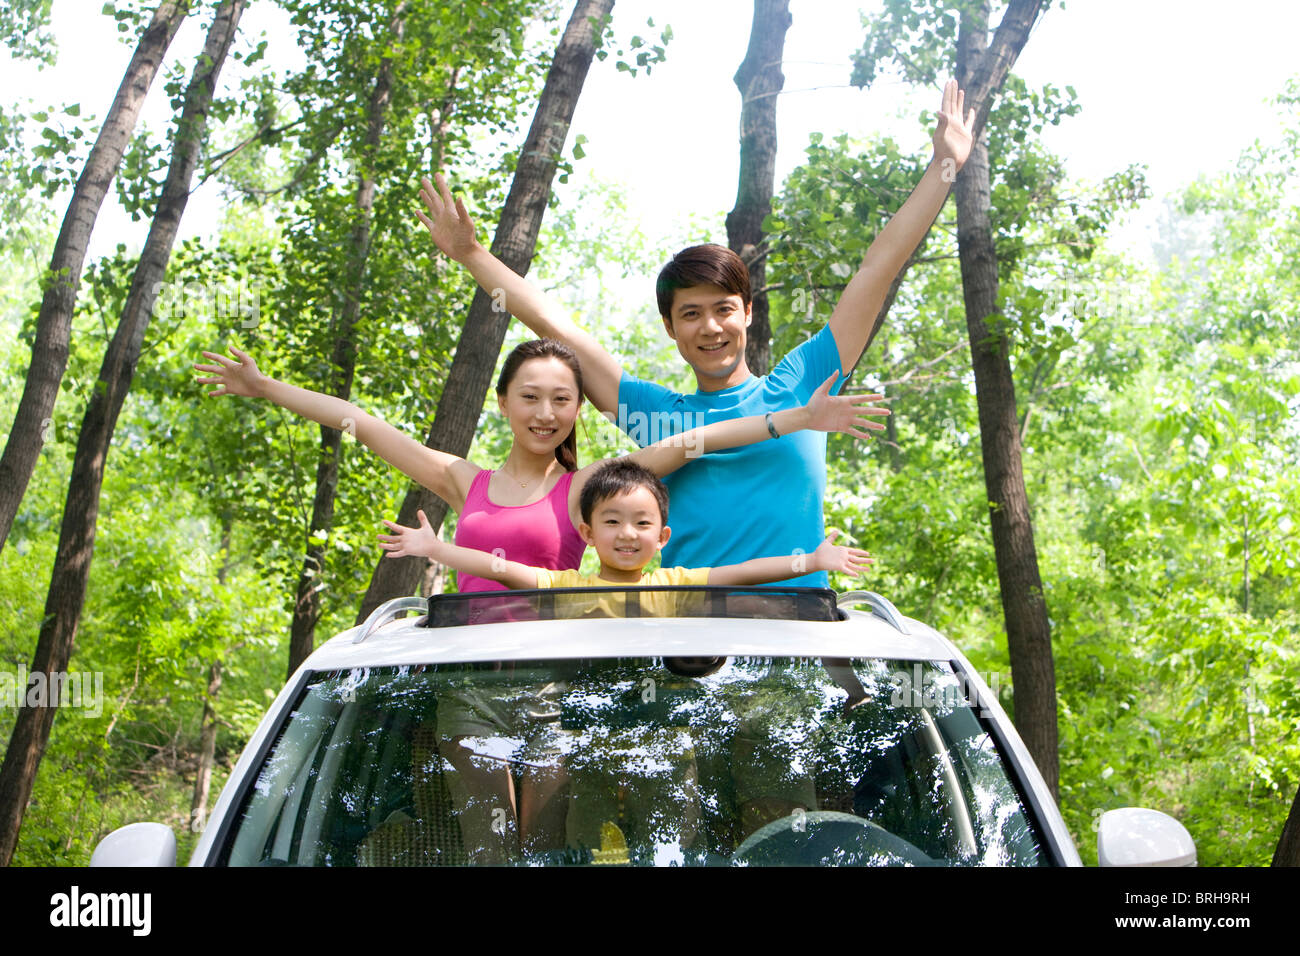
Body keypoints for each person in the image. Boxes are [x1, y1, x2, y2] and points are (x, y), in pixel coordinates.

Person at [417, 79, 976, 589]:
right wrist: (471, 254)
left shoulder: (803, 384)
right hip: (688, 638)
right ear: (670, 328)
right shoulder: (652, 414)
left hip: (799, 629)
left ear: (747, 314)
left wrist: (943, 169)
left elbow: (875, 272)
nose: (710, 327)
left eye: (723, 309)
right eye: (690, 314)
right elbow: (553, 325)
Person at [379, 458, 873, 612]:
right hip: (588, 741)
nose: (627, 534)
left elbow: (743, 572)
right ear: (586, 533)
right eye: (612, 522)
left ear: (663, 537)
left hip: (666, 742)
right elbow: (502, 568)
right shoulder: (568, 589)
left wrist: (813, 560)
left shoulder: (675, 585)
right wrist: (435, 548)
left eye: (642, 523)